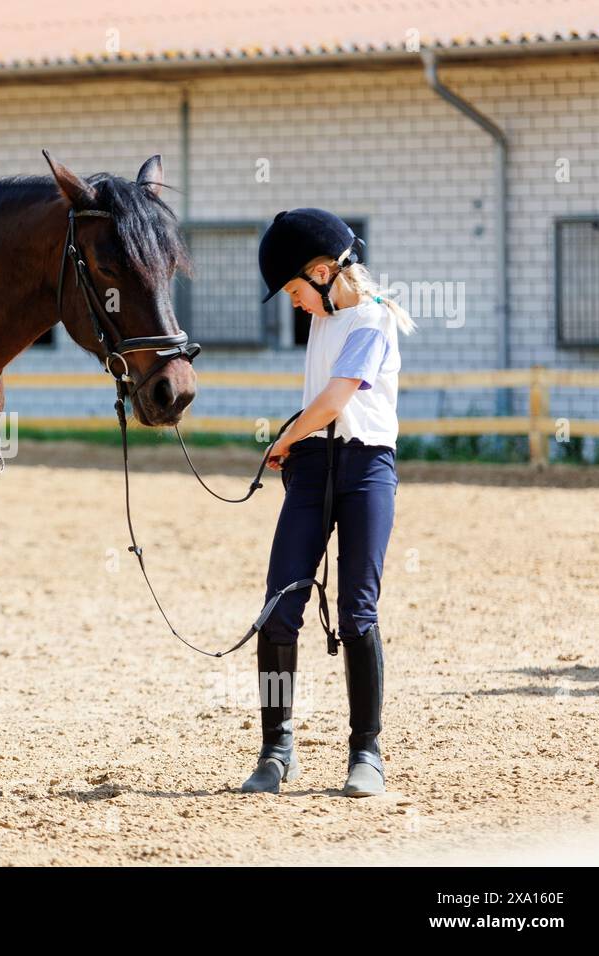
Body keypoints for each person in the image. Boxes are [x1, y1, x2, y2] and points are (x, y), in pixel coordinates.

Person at [240, 208, 416, 798]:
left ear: (321, 272)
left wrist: (284, 438)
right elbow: (321, 403)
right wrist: (297, 447)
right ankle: (275, 748)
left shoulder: (371, 319)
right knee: (279, 603)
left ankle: (366, 751)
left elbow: (338, 398)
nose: (293, 302)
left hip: (367, 468)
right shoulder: (324, 319)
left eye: (293, 289)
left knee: (357, 612)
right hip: (314, 469)